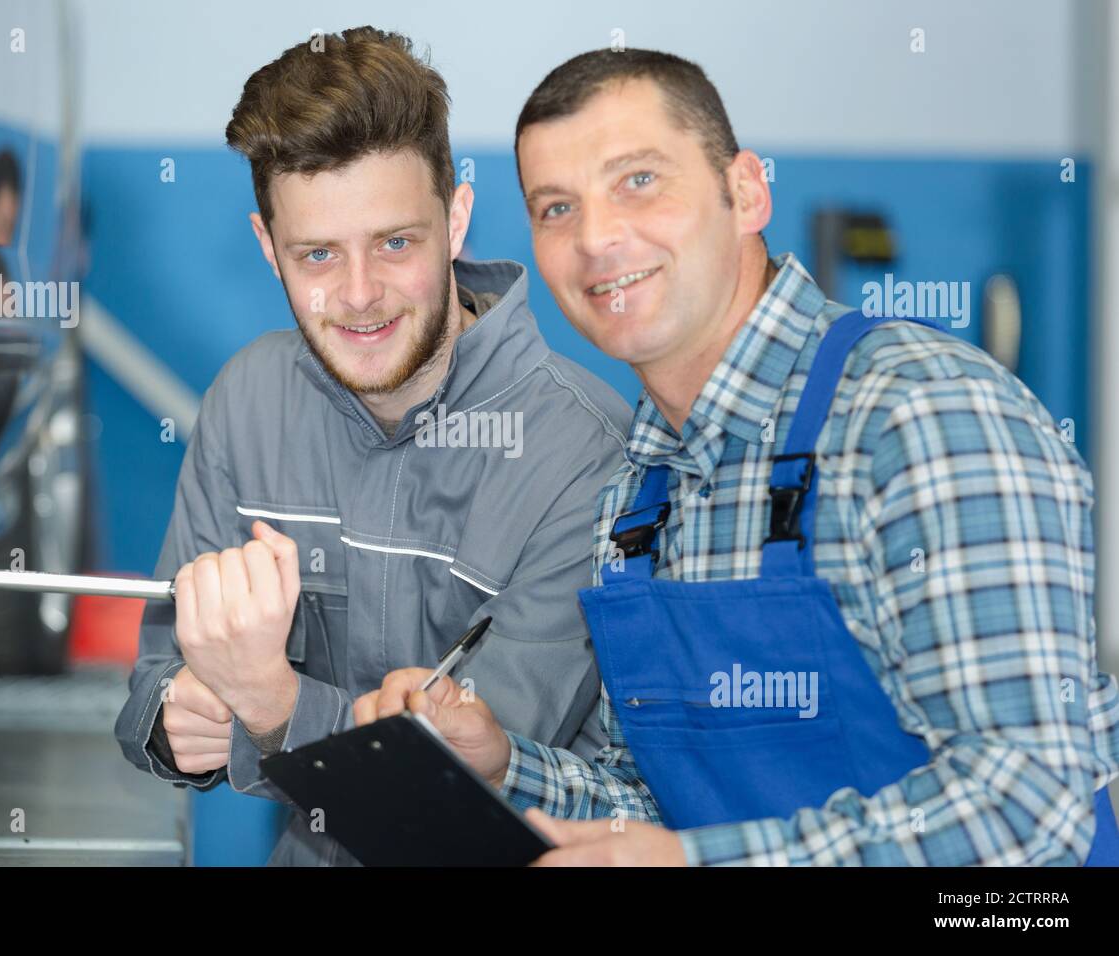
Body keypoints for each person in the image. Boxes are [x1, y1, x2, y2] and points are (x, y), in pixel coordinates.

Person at [356, 48, 1119, 866]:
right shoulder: (636, 499)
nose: (599, 237)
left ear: (746, 191)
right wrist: (505, 765)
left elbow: (1031, 805)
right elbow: (654, 801)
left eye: (639, 180)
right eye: (555, 208)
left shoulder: (919, 415)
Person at [113, 28, 631, 867]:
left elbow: (457, 801)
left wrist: (270, 703)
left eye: (396, 243)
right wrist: (176, 721)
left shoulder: (586, 455)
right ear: (265, 247)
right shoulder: (247, 402)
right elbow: (147, 695)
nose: (359, 296)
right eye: (317, 254)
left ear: (456, 218)